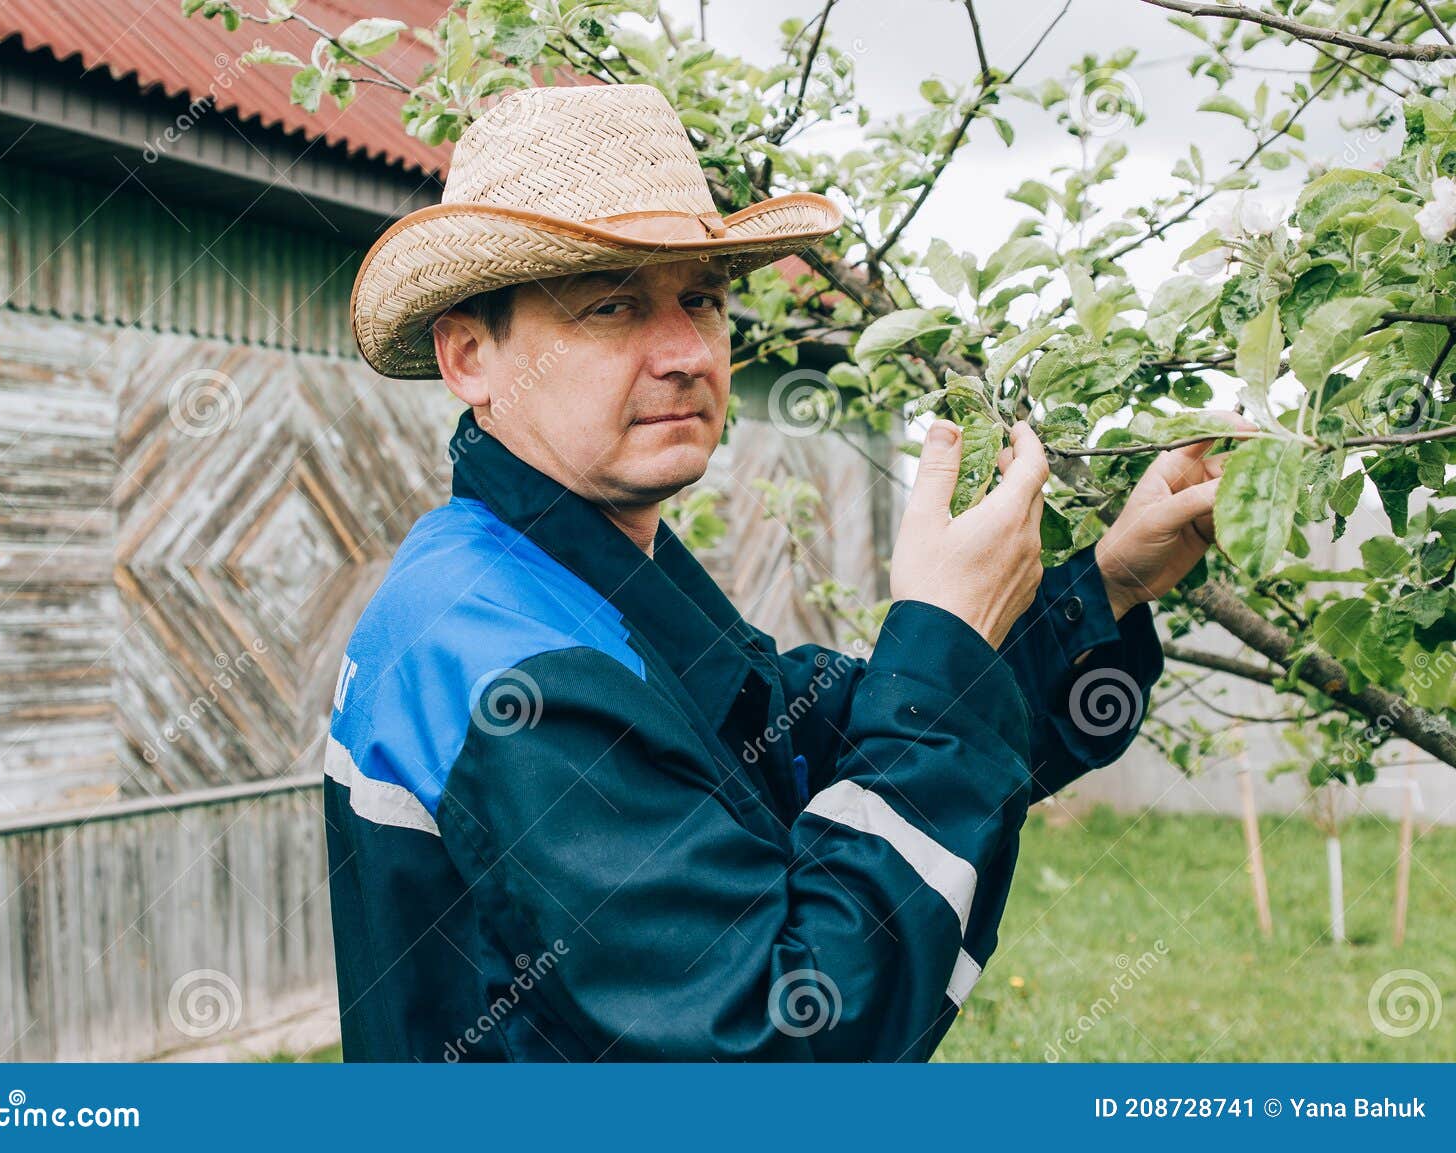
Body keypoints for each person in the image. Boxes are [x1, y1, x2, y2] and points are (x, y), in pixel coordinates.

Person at [325, 83, 1227, 1061]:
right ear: (469, 356)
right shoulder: (519, 677)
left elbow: (807, 752)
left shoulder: (561, 579)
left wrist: (1104, 586)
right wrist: (942, 635)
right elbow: (784, 1036)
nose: (682, 353)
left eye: (701, 299)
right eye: (610, 305)